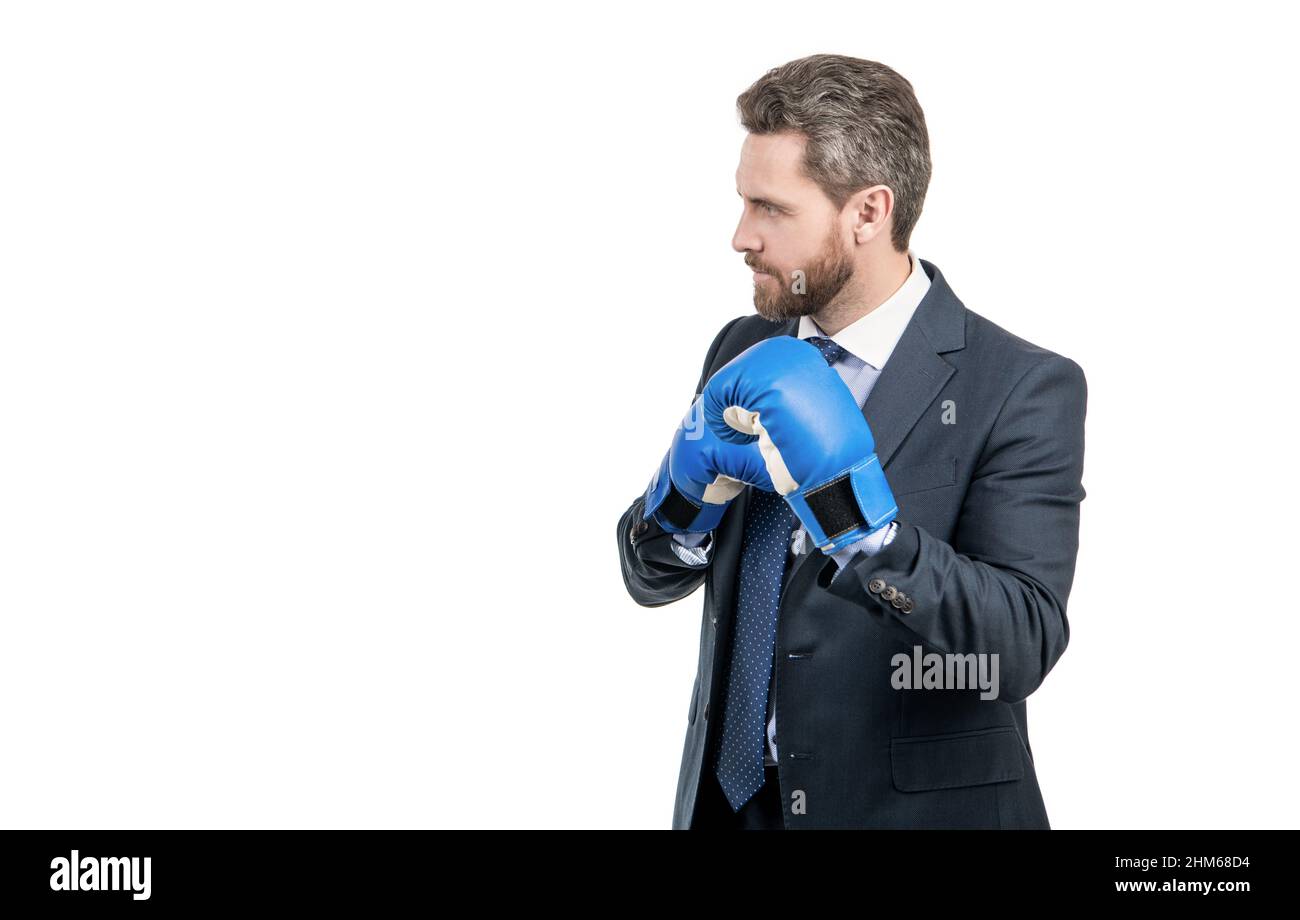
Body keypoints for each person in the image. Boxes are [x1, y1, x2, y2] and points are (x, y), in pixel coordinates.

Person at [616, 54, 1087, 830]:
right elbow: (648, 576)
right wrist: (684, 500)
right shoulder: (741, 346)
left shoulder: (1020, 385)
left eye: (771, 208)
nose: (741, 236)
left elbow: (1018, 647)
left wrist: (863, 531)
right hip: (729, 808)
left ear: (867, 213)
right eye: (743, 202)